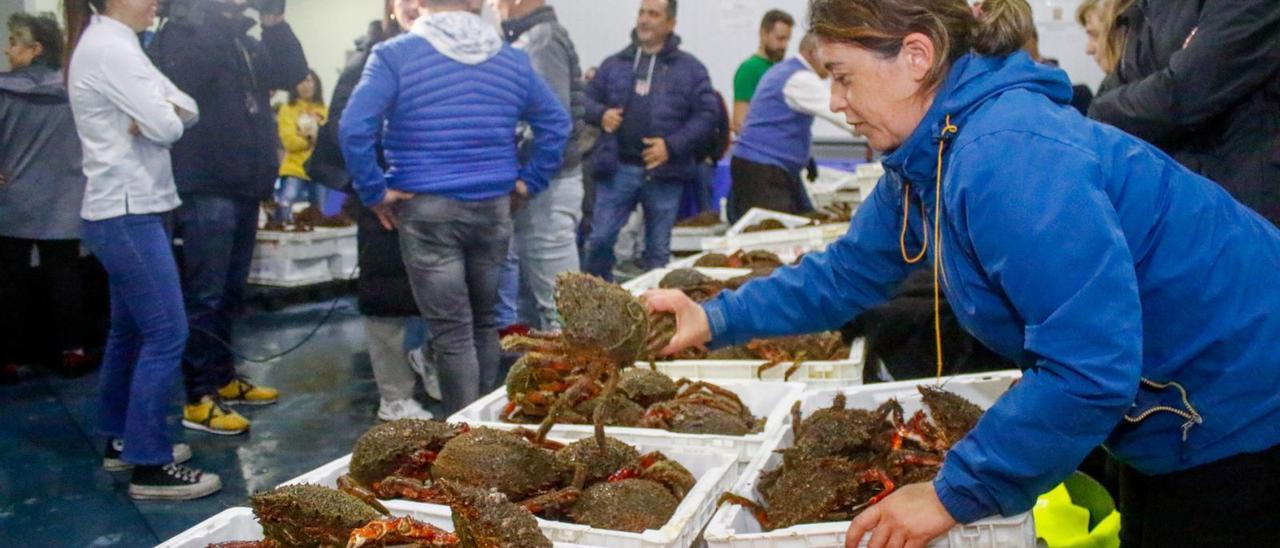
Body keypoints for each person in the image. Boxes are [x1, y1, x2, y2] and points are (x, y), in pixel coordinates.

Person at [645, 0, 1280, 545]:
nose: (836, 103)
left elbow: (1089, 369)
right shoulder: (928, 152)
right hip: (1166, 409)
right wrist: (714, 316)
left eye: (842, 77)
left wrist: (952, 493)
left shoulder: (1007, 157)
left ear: (917, 56)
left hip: (1241, 404)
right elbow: (844, 274)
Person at [340, 0, 570, 415]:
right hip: (494, 209)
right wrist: (528, 182)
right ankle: (483, 423)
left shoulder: (394, 56)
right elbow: (557, 124)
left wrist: (374, 193)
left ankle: (466, 436)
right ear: (477, 2)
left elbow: (354, 126)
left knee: (451, 334)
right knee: (485, 322)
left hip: (427, 211)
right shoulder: (511, 60)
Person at [64, 0, 220, 501]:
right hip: (127, 213)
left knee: (129, 333)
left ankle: (122, 438)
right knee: (166, 334)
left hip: (126, 210)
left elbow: (185, 106)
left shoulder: (120, 43)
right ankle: (149, 466)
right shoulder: (110, 47)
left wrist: (158, 113)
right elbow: (169, 125)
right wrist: (159, 114)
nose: (154, 0)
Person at [149, 0, 308, 435]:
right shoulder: (180, 33)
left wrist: (273, 20)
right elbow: (184, 81)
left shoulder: (244, 38)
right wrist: (216, 19)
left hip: (244, 184)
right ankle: (199, 397)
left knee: (230, 293)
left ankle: (223, 377)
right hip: (205, 184)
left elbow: (291, 72)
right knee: (206, 294)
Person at [307, 0, 440, 422]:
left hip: (438, 201)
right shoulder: (371, 60)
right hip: (386, 204)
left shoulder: (448, 57)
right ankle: (394, 395)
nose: (416, 7)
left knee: (443, 294)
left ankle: (428, 362)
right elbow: (344, 134)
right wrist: (372, 190)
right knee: (387, 299)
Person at [1089, 0, 1280, 226]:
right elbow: (1112, 91)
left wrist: (1104, 109)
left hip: (1246, 211)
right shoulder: (1153, 8)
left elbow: (1181, 94)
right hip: (1181, 211)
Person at [581, 0, 719, 281]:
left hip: (665, 172)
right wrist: (601, 114)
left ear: (670, 24)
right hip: (617, 167)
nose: (644, 20)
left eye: (654, 14)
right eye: (642, 12)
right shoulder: (614, 64)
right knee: (599, 240)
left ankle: (653, 316)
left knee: (658, 253)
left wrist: (672, 146)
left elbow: (708, 115)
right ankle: (596, 305)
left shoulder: (691, 69)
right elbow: (583, 98)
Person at [0, 12, 92, 384]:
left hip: (12, 202)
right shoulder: (74, 90)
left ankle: (8, 358)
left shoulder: (3, 92)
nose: (7, 50)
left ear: (35, 49)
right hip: (65, 202)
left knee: (9, 282)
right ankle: (73, 351)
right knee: (65, 278)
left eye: (13, 43)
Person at [493, 0, 587, 331]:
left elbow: (552, 123)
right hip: (544, 186)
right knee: (556, 308)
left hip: (547, 188)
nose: (490, 5)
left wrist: (528, 182)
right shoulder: (527, 40)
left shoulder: (541, 40)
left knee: (563, 311)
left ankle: (578, 381)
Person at [727, 33, 856, 222]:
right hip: (765, 170)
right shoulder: (800, 78)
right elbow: (843, 116)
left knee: (794, 223)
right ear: (813, 53)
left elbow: (781, 123)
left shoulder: (783, 70)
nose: (831, 66)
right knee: (775, 235)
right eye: (828, 56)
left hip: (760, 165)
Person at [274, 69, 328, 223]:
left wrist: (305, 138)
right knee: (284, 206)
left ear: (316, 84)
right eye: (302, 81)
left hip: (319, 169)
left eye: (310, 81)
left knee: (323, 212)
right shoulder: (287, 109)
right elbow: (289, 141)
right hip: (294, 169)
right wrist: (311, 140)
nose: (306, 85)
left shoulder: (324, 110)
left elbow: (328, 141)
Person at [731, 9, 794, 135]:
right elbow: (740, 123)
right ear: (763, 34)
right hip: (762, 150)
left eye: (787, 39)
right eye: (780, 38)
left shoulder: (782, 69)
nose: (784, 46)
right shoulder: (749, 69)